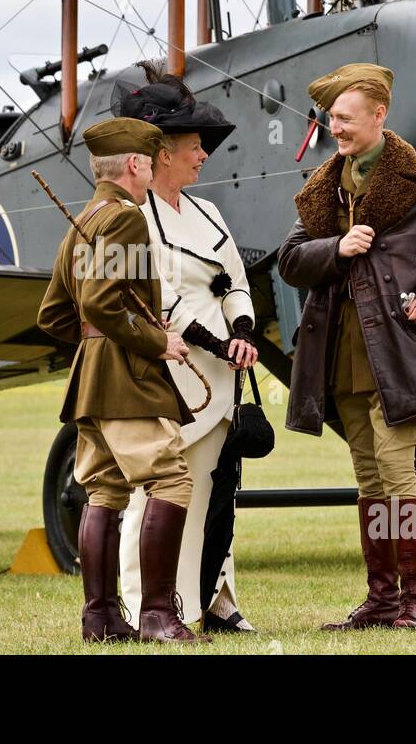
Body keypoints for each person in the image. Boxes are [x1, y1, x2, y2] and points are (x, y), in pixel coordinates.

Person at [277, 63, 416, 631]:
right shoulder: (323, 186)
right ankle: (381, 601)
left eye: (346, 119)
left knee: (397, 471)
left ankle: (413, 604)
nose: (337, 129)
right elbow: (290, 262)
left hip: (402, 354)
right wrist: (338, 246)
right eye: (332, 119)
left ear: (380, 116)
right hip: (341, 357)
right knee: (370, 478)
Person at [37, 116, 209, 645]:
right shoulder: (127, 218)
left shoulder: (83, 221)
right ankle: (158, 614)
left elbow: (56, 314)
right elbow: (100, 302)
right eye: (151, 158)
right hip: (127, 379)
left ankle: (102, 619)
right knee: (172, 479)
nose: (157, 165)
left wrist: (98, 338)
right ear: (135, 164)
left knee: (106, 490)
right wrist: (156, 341)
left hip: (92, 379)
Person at [112, 63, 260, 635]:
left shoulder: (208, 211)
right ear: (164, 151)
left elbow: (234, 279)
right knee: (159, 494)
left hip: (223, 376)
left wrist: (242, 332)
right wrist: (218, 344)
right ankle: (139, 606)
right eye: (196, 146)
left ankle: (214, 599)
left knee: (217, 493)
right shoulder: (135, 216)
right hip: (173, 373)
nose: (204, 156)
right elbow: (162, 300)